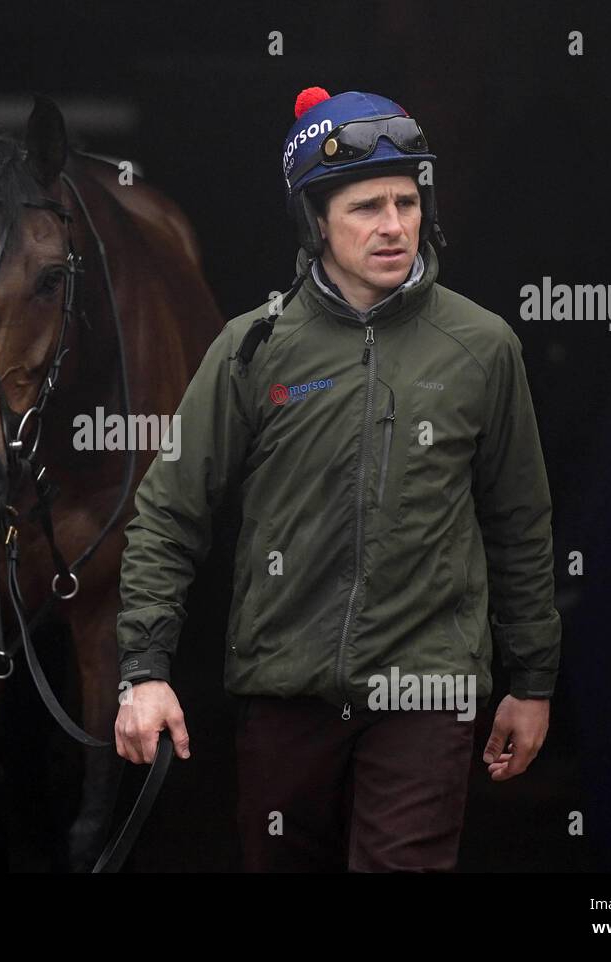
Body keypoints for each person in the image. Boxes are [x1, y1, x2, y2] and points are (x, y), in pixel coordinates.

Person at [112, 87, 562, 871]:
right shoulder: (252, 349)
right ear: (316, 220)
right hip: (285, 695)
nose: (394, 225)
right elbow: (167, 514)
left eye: (406, 201)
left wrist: (532, 680)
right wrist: (144, 672)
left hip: (425, 694)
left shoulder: (483, 348)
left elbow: (519, 522)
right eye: (366, 207)